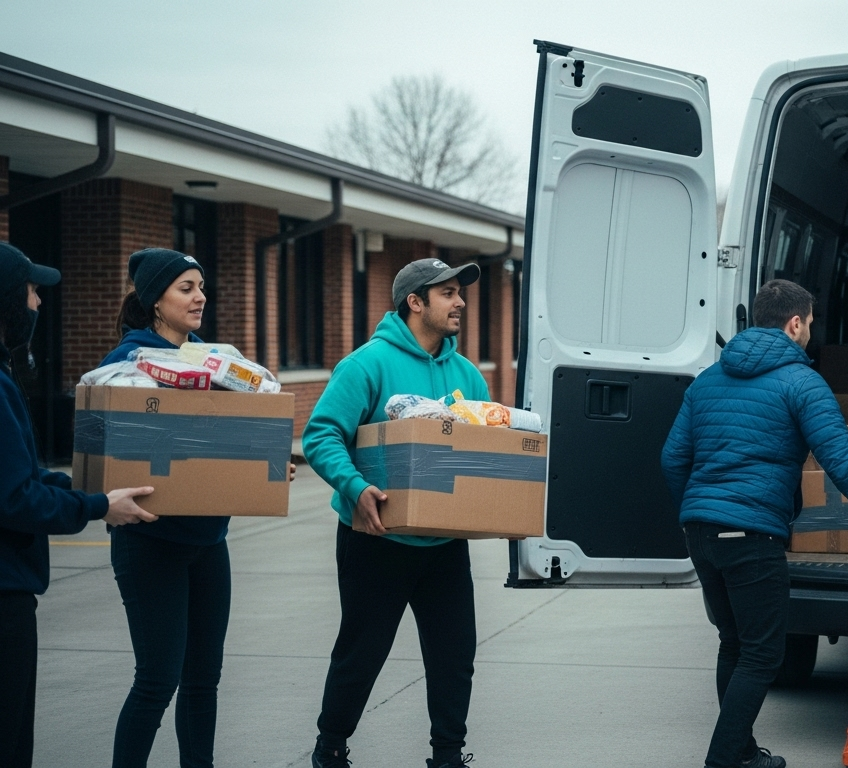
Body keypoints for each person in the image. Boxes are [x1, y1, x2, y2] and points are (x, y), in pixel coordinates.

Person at [661, 278, 848, 768]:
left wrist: (699, 510)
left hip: (702, 533)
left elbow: (672, 459)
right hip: (751, 536)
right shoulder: (801, 382)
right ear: (794, 323)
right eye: (810, 322)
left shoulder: (707, 379)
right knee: (763, 655)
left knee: (735, 643)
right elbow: (846, 467)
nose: (811, 331)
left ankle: (742, 754)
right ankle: (723, 760)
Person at [102, 247, 290, 768]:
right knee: (157, 680)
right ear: (154, 301)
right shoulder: (127, 366)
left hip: (209, 542)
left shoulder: (215, 363)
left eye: (200, 286)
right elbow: (119, 449)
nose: (199, 296)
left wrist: (262, 465)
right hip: (151, 543)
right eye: (185, 287)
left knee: (204, 680)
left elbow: (225, 440)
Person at [302, 257, 485, 768]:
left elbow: (486, 452)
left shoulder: (467, 374)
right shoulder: (366, 365)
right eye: (448, 293)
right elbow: (321, 434)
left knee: (455, 657)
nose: (460, 302)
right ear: (415, 302)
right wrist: (355, 487)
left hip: (445, 541)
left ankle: (448, 756)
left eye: (459, 292)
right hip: (376, 536)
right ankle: (330, 747)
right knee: (362, 654)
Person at [0, 242, 155, 768]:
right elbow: (15, 499)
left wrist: (76, 486)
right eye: (31, 292)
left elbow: (17, 476)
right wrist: (96, 505)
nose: (38, 305)